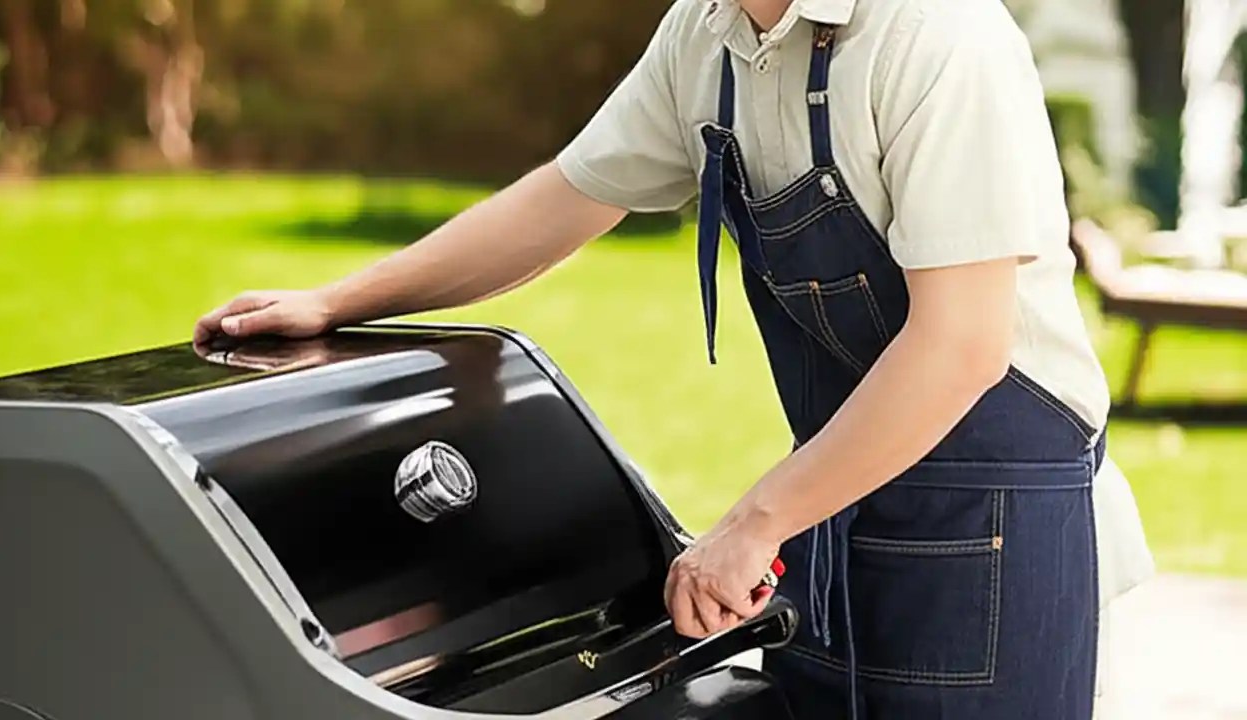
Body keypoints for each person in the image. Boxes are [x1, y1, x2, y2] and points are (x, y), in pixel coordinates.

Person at [194, 0, 1154, 717]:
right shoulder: (708, 32)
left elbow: (962, 344)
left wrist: (753, 523)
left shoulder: (937, 37)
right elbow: (568, 195)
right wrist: (338, 303)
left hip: (997, 522)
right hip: (835, 495)